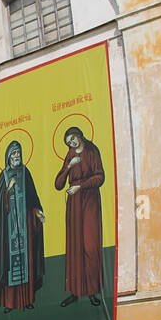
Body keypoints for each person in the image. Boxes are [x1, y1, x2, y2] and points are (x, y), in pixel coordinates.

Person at [0, 139, 45, 312]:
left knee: (26, 262)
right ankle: (10, 303)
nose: (16, 156)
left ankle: (27, 299)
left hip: (25, 226)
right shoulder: (4, 176)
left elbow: (32, 196)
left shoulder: (25, 172)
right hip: (9, 229)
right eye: (13, 154)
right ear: (8, 157)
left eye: (18, 153)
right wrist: (8, 189)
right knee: (10, 265)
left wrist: (37, 211)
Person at [54, 127, 105, 307]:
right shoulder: (70, 156)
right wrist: (68, 166)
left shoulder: (92, 151)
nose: (72, 143)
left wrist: (80, 186)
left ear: (79, 135)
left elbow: (100, 177)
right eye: (69, 142)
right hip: (74, 204)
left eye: (73, 139)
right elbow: (58, 184)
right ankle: (75, 292)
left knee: (90, 245)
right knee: (75, 247)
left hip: (89, 201)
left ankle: (92, 291)